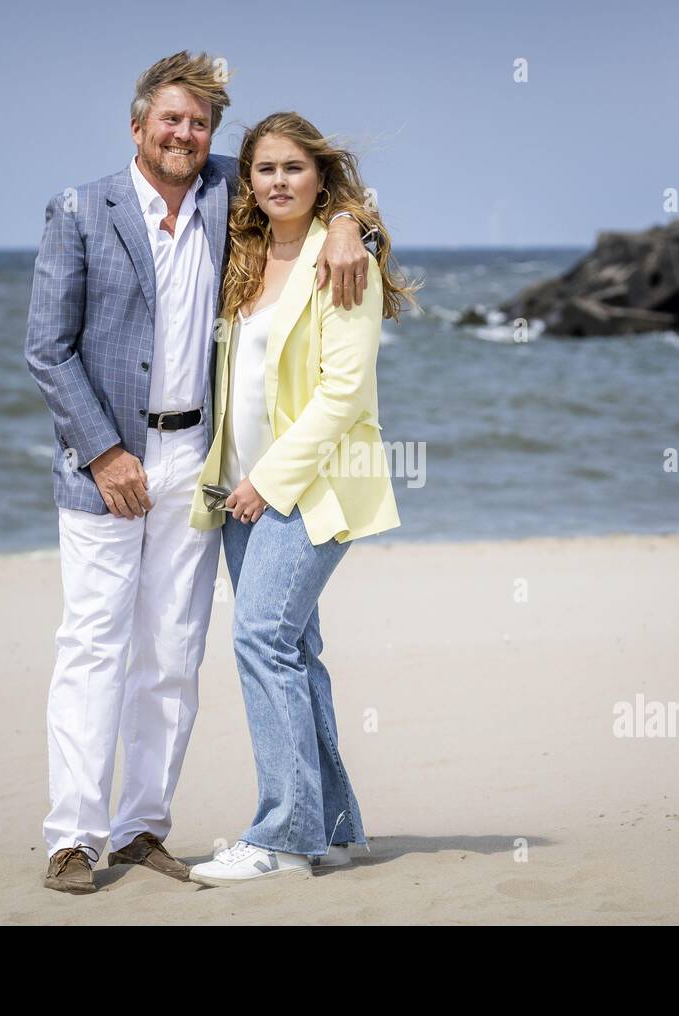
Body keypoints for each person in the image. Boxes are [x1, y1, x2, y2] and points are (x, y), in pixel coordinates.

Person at [25, 53, 376, 895]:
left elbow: (313, 184)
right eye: (172, 120)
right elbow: (47, 347)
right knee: (93, 646)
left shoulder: (228, 192)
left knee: (175, 652)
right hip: (106, 462)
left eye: (201, 124)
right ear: (139, 123)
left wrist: (349, 222)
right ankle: (71, 838)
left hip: (198, 463)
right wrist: (104, 453)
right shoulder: (80, 210)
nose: (186, 135)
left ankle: (143, 825)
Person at [186, 112, 418, 887]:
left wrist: (354, 223)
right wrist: (238, 482)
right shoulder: (246, 254)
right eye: (264, 169)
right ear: (247, 181)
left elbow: (345, 393)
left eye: (294, 167)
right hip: (241, 490)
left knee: (260, 641)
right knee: (294, 652)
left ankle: (284, 838)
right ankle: (338, 825)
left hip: (305, 491)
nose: (278, 181)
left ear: (321, 175)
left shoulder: (343, 259)